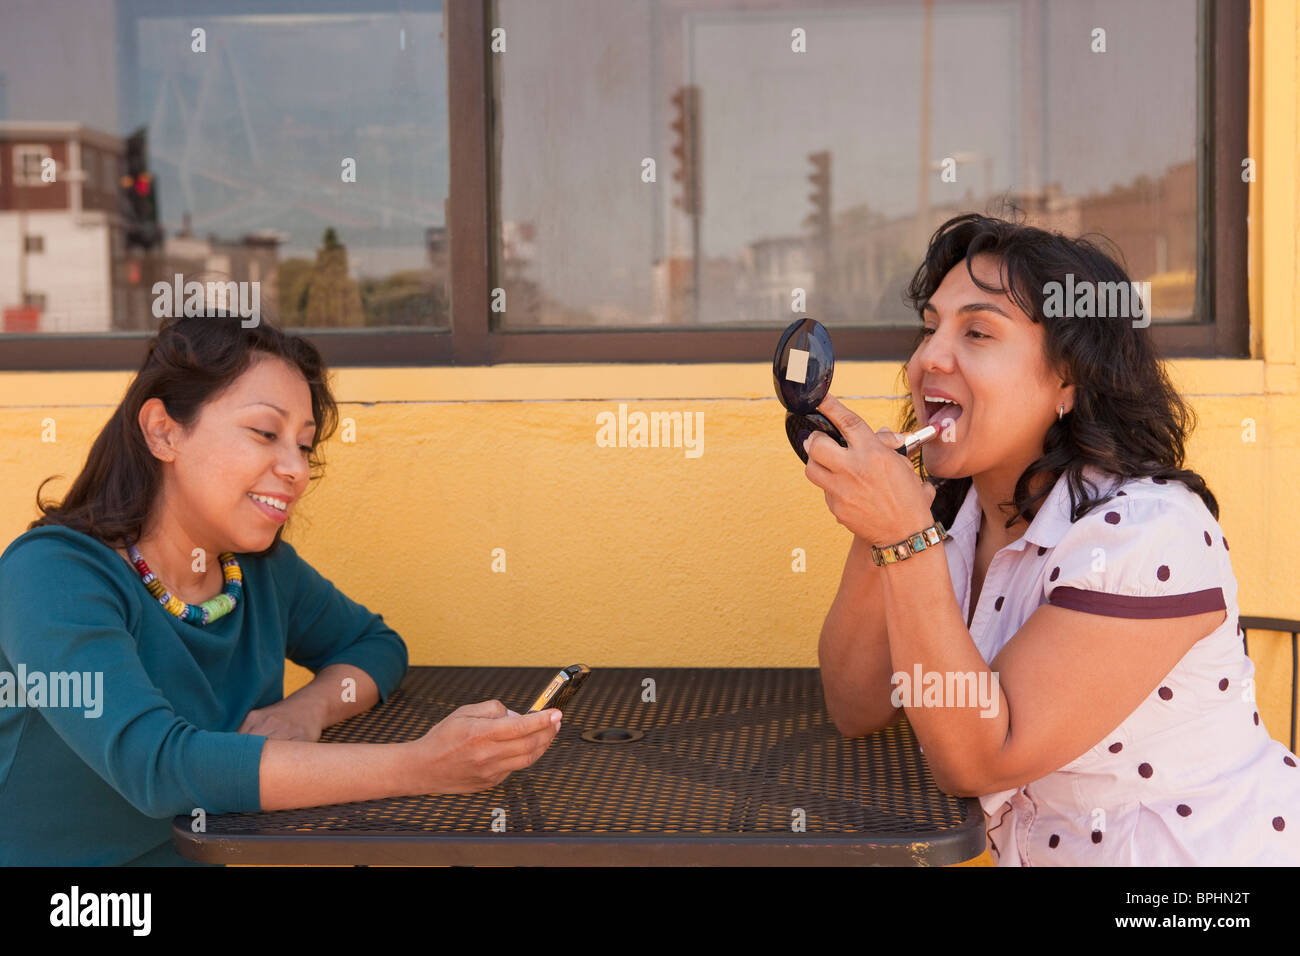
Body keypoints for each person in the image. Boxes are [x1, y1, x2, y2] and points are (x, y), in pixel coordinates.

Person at [809, 212, 1300, 865]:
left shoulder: (1150, 535)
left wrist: (902, 534)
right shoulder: (953, 521)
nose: (929, 358)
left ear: (1069, 380)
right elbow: (855, 705)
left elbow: (984, 760)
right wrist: (879, 529)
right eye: (929, 328)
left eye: (977, 331)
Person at [0, 313, 560, 865]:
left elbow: (374, 645)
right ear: (163, 431)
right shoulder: (51, 576)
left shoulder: (258, 570)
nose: (295, 468)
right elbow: (158, 767)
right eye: (265, 433)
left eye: (305, 445)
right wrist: (422, 765)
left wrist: (307, 710)